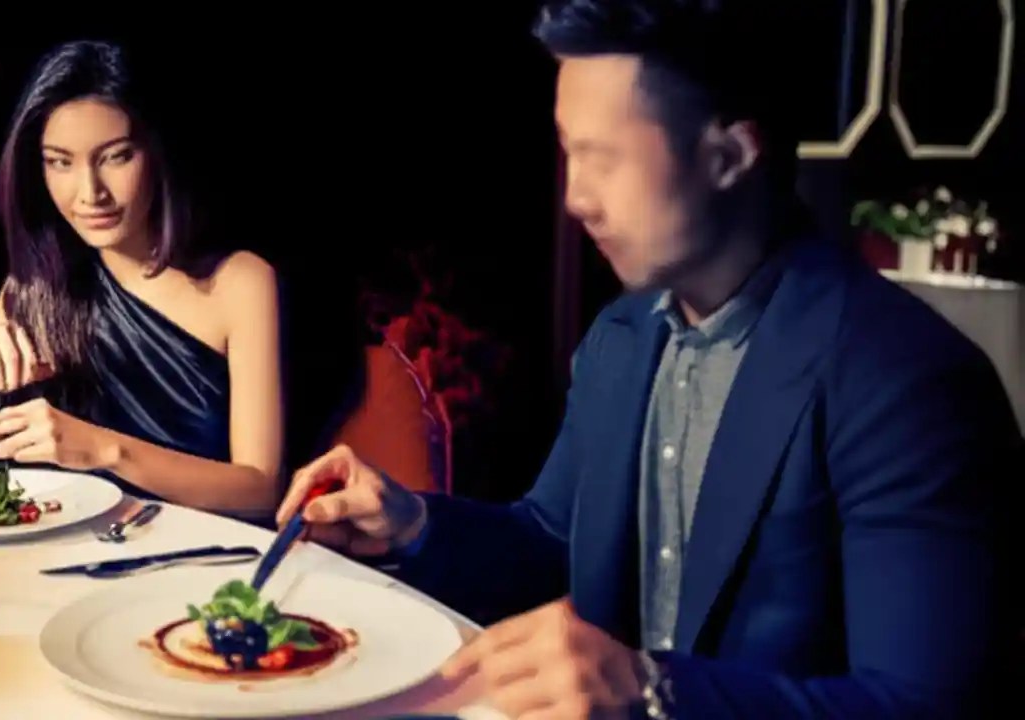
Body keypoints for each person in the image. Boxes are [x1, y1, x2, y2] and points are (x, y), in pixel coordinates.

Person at [274, 2, 1023, 718]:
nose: (575, 198)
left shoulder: (906, 378)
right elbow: (552, 542)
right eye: (570, 155)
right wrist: (411, 525)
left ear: (729, 156)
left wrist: (655, 693)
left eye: (602, 160)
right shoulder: (624, 335)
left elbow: (929, 704)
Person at [0, 41, 285, 515]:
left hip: (194, 558)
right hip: (65, 556)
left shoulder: (238, 283)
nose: (90, 193)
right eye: (60, 162)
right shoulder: (36, 287)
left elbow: (260, 489)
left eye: (116, 157)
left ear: (156, 151)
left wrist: (104, 450)